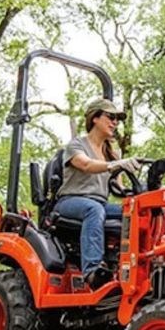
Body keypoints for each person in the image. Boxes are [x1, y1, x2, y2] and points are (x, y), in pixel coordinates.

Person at [53, 98, 140, 289]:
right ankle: (92, 271)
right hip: (71, 202)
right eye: (111, 117)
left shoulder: (112, 153)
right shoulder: (76, 145)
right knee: (94, 210)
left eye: (117, 119)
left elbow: (120, 189)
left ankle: (136, 269)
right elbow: (86, 164)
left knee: (138, 214)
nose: (115, 122)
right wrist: (115, 165)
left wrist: (138, 195)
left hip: (100, 204)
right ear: (95, 118)